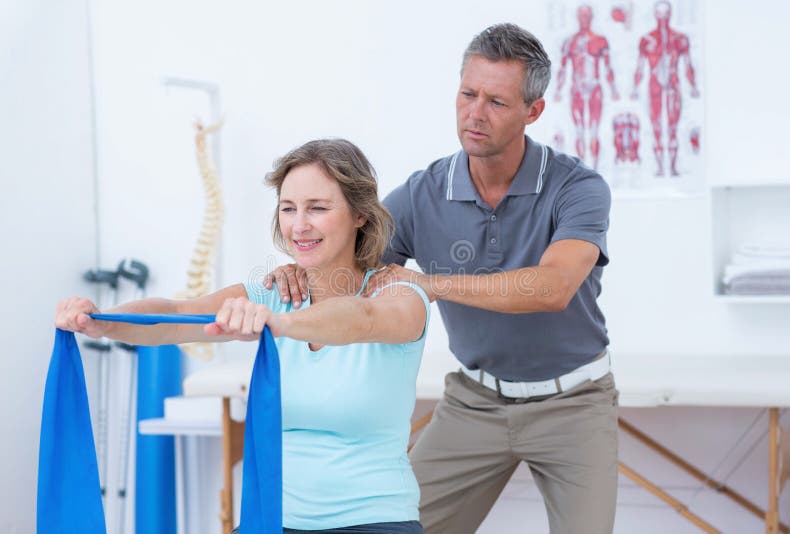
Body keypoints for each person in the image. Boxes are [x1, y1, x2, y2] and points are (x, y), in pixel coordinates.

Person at [267, 24, 617, 534]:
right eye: (468, 94)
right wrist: (296, 268)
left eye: (496, 101)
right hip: (474, 403)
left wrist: (433, 283)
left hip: (574, 405)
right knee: (399, 524)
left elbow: (552, 287)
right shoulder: (423, 193)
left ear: (533, 111)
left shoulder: (578, 188)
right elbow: (349, 256)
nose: (475, 113)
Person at [55, 139, 430, 534]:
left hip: (375, 521)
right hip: (270, 522)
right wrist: (100, 321)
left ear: (359, 215)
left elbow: (363, 318)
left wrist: (278, 323)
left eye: (317, 208)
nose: (298, 225)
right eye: (288, 209)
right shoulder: (273, 294)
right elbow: (176, 315)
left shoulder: (400, 295)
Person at [631, 0, 700, 176]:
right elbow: (640, 66)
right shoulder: (647, 40)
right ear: (655, 15)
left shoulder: (680, 39)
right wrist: (635, 88)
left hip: (673, 86)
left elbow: (688, 64)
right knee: (656, 127)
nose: (663, 18)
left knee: (672, 128)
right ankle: (660, 167)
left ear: (670, 15)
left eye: (666, 14)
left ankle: (673, 167)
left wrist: (693, 85)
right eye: (659, 14)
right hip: (654, 86)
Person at [554, 4, 620, 169]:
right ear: (578, 17)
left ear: (592, 17)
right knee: (579, 130)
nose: (585, 19)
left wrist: (613, 89)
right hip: (576, 88)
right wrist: (558, 90)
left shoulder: (600, 41)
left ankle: (595, 168)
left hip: (595, 89)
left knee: (594, 130)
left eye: (587, 16)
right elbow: (562, 69)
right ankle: (582, 168)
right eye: (582, 16)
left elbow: (608, 67)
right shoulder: (570, 42)